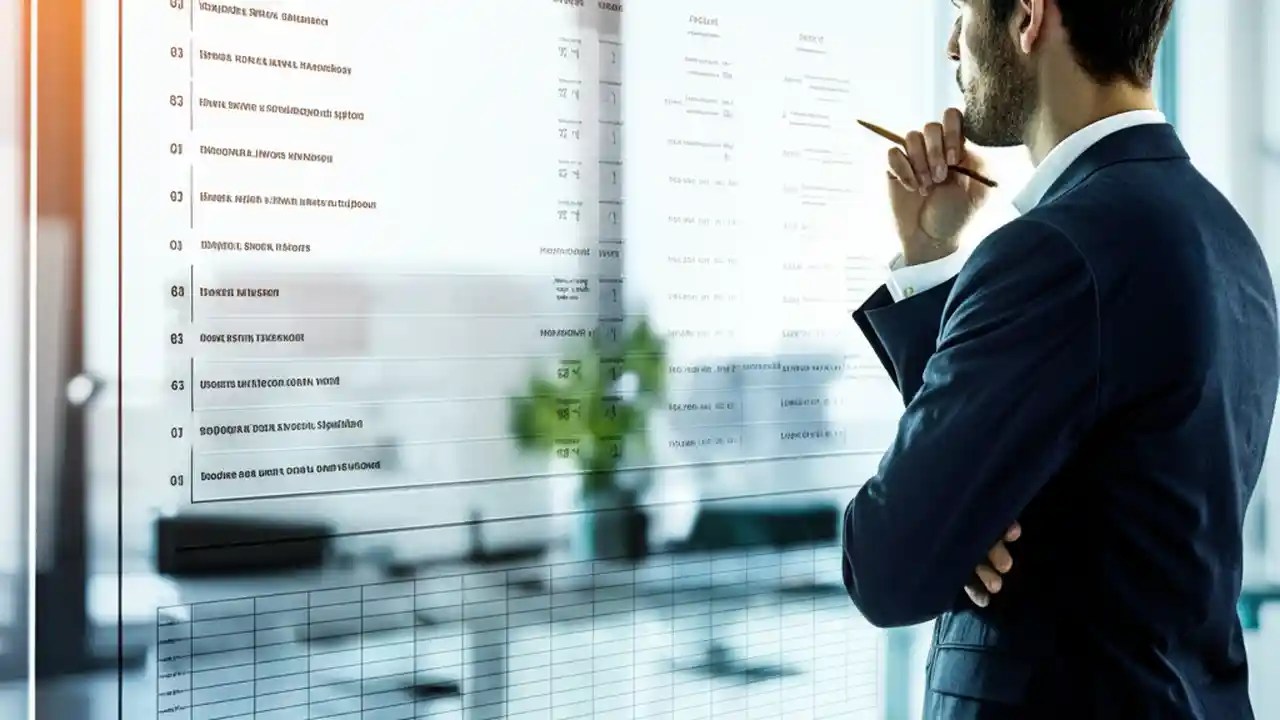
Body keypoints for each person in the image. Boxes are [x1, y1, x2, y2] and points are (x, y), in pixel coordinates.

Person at [841, 0, 1279, 717]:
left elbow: (888, 565)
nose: (954, 42)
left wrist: (944, 526)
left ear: (1027, 18)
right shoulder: (1225, 235)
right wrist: (928, 259)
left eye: (963, 9)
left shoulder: (1056, 250)